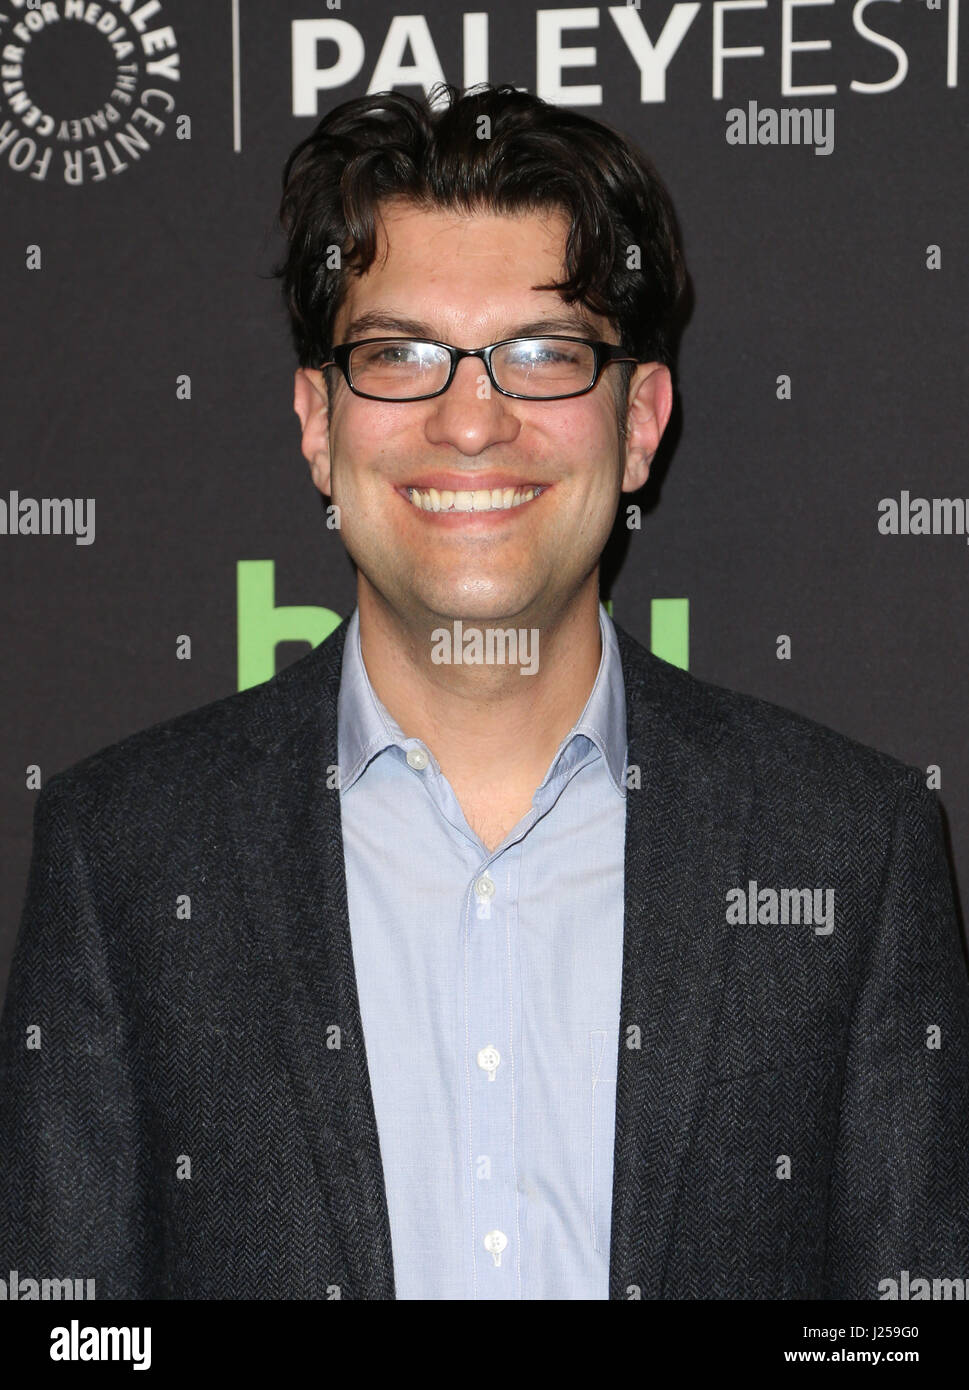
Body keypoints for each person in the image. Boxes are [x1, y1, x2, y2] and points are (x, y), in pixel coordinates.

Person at [1, 83, 967, 1302]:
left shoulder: (850, 849)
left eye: (544, 356)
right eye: (400, 355)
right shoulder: (125, 852)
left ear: (640, 423)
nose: (471, 421)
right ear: (317, 422)